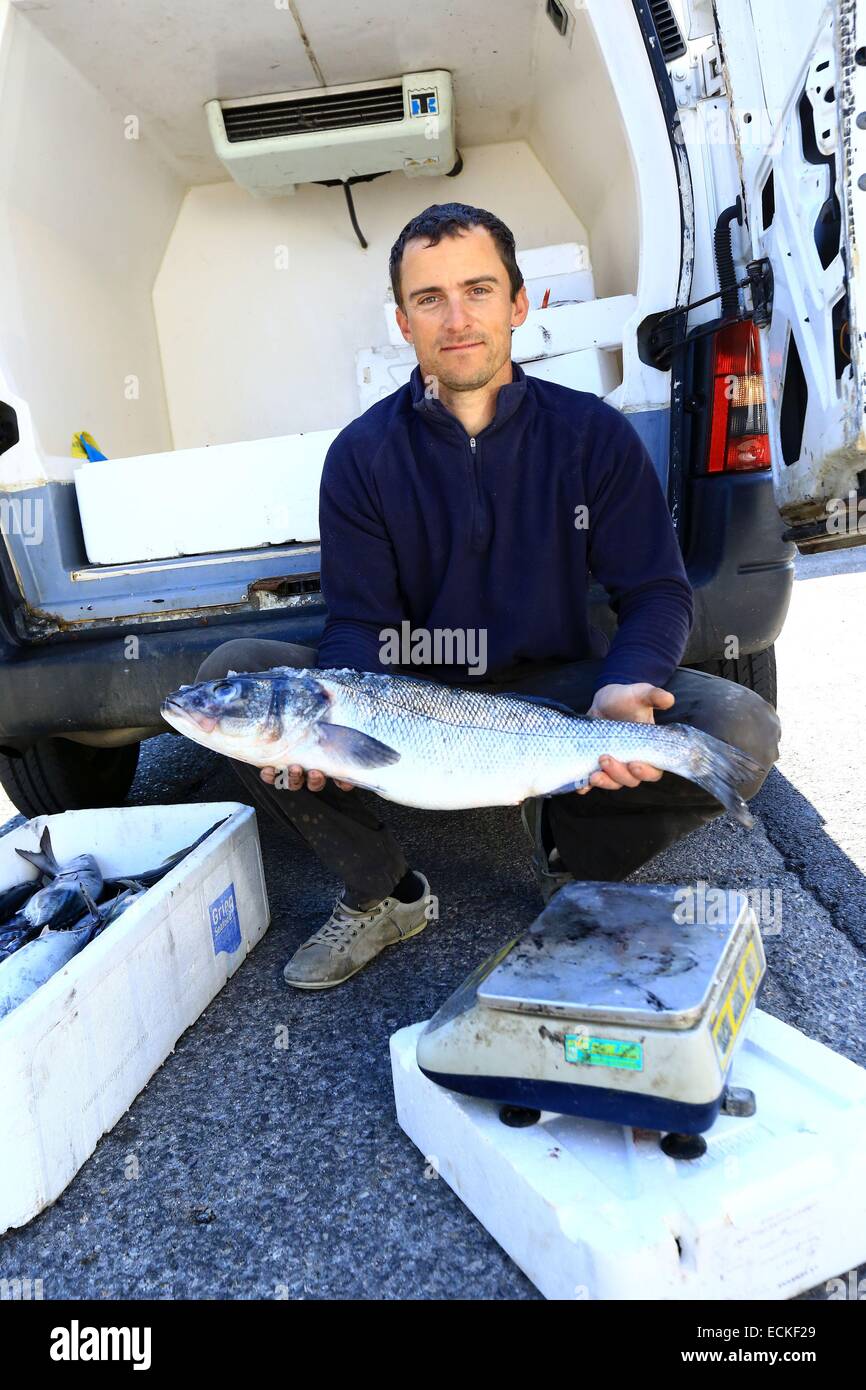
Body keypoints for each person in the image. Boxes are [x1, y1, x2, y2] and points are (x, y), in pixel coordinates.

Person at [195, 202, 780, 990]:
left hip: (557, 684)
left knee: (739, 725)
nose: (456, 317)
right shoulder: (362, 457)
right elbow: (361, 621)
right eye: (429, 298)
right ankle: (384, 892)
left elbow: (656, 590)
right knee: (236, 672)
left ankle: (573, 860)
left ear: (519, 303)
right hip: (415, 688)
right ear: (402, 321)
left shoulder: (591, 436)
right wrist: (327, 728)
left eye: (478, 289)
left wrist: (625, 680)